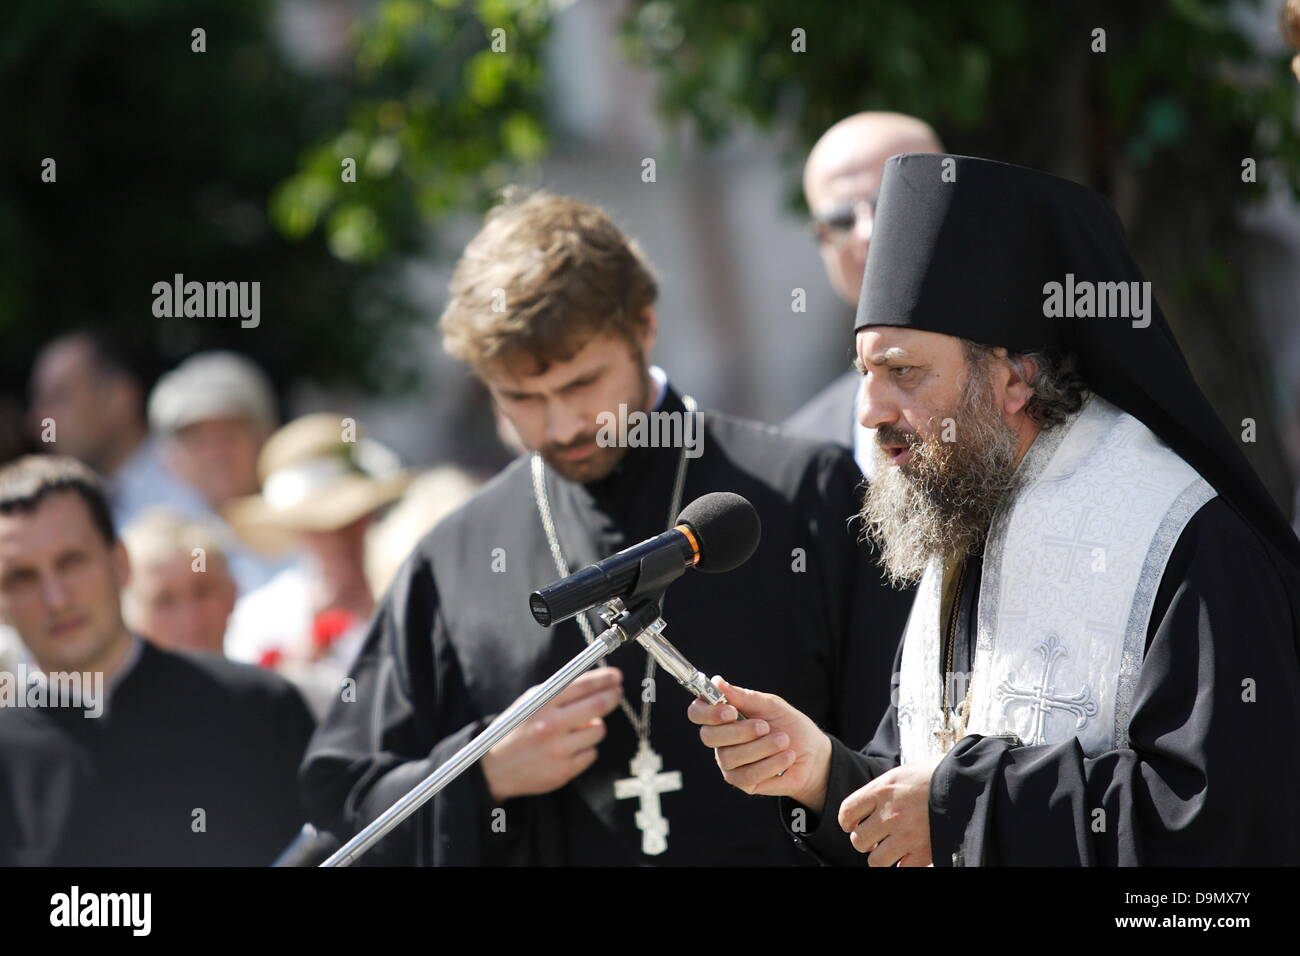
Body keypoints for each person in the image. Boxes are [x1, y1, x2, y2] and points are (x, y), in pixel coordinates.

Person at [690, 154, 1300, 866]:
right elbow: (920, 777)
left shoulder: (1182, 538)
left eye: (903, 372)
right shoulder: (969, 517)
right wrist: (823, 773)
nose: (868, 411)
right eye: (865, 373)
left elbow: (1227, 826)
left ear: (1015, 377)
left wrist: (963, 810)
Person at [299, 189, 915, 866]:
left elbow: (910, 749)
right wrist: (484, 771)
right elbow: (343, 796)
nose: (560, 426)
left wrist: (817, 768)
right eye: (522, 399)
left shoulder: (805, 491)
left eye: (582, 383)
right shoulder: (457, 556)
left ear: (643, 327)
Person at [0, 455, 315, 865]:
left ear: (120, 564)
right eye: (22, 577)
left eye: (71, 562)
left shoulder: (258, 707)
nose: (56, 599)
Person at [784, 112, 944, 479]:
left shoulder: (1052, 388)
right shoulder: (802, 447)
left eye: (892, 202)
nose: (867, 232)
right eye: (841, 220)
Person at [223, 413, 412, 717]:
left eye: (353, 518)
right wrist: (299, 661)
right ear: (297, 531)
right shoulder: (260, 617)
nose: (340, 537)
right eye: (319, 526)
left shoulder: (406, 592)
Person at [148, 350, 296, 594]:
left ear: (264, 437)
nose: (215, 452)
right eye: (197, 439)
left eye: (229, 434)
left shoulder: (307, 526)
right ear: (170, 459)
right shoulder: (153, 543)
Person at [28, 330, 205, 530]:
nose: (41, 420)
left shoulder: (198, 479)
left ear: (119, 398)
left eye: (59, 397)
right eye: (39, 401)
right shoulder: (71, 504)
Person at [121, 508, 238, 656]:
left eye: (202, 592)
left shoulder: (265, 677)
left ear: (232, 593)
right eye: (165, 601)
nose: (191, 619)